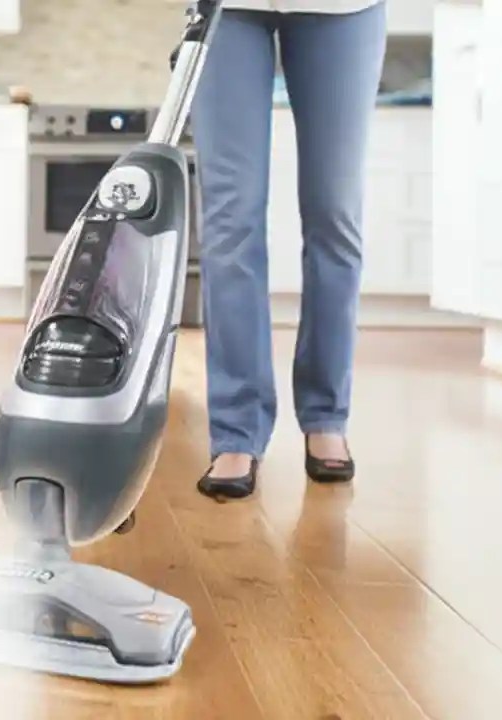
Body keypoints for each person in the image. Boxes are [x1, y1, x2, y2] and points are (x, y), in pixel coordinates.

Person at [190, 0, 387, 499]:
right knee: (230, 221)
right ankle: (237, 430)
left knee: (334, 214)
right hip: (229, 9)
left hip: (345, 9)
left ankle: (325, 414)